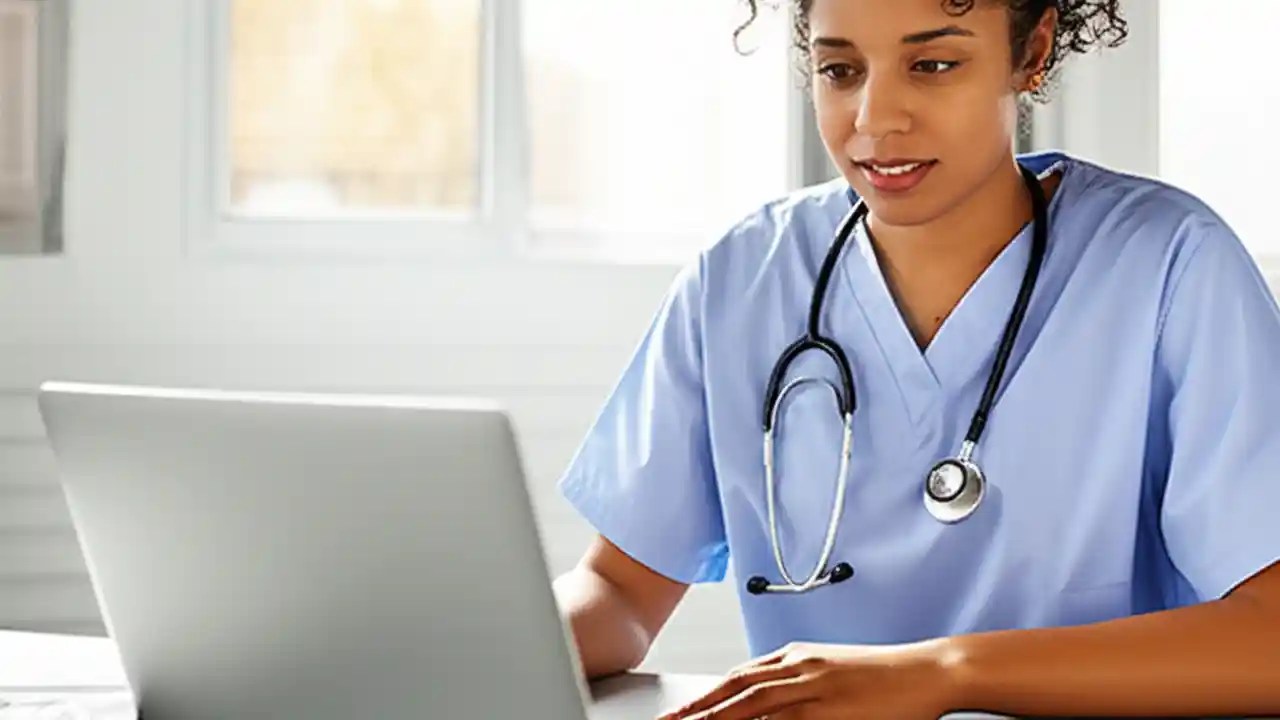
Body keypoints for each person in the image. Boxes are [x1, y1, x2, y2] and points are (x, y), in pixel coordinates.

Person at [550, 0, 1280, 717]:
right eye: (840, 70)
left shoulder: (1171, 265)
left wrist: (948, 673)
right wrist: (471, 645)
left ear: (1031, 52)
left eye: (932, 64)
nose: (875, 119)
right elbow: (619, 592)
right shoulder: (740, 278)